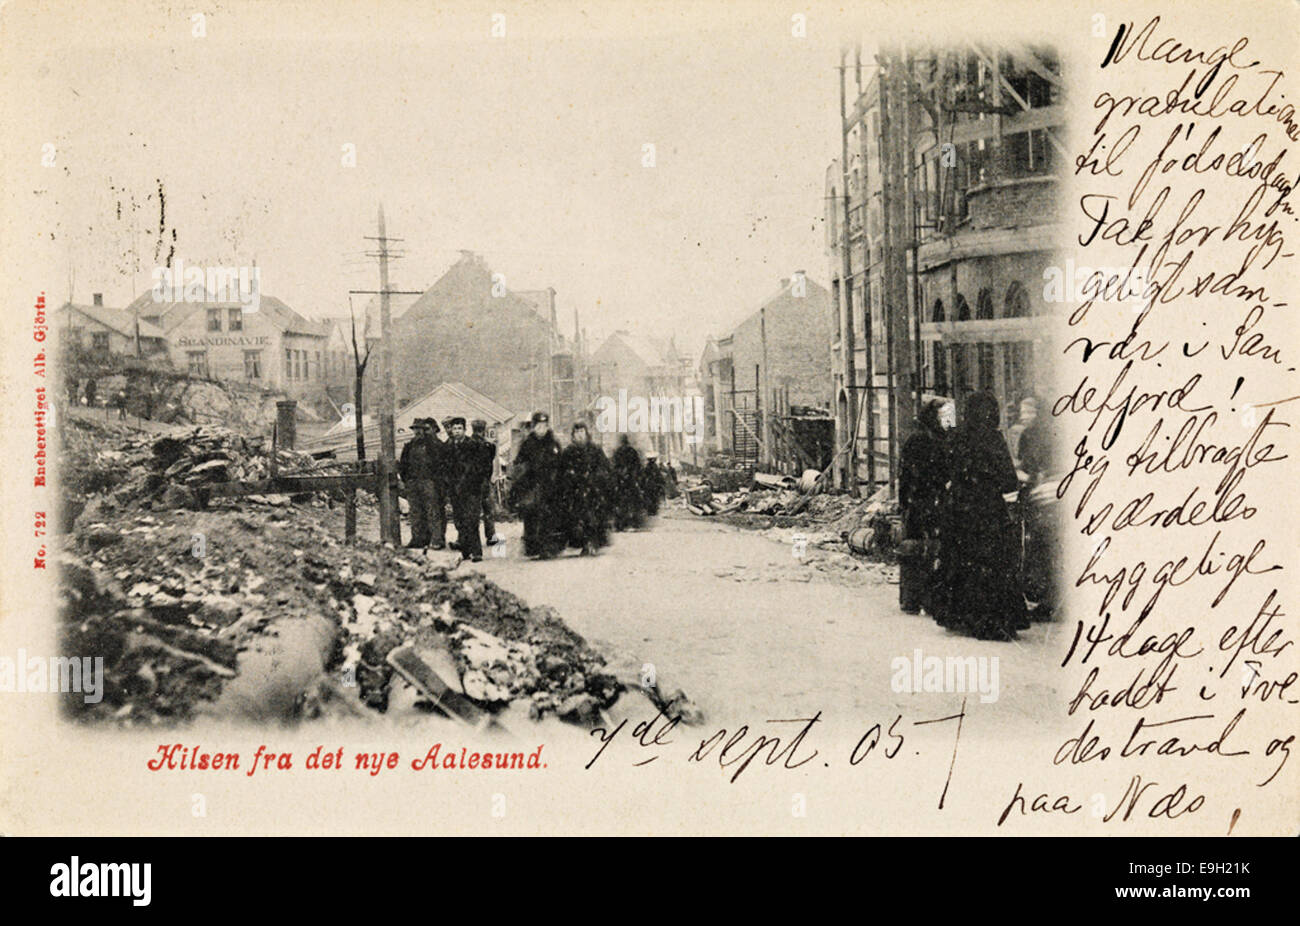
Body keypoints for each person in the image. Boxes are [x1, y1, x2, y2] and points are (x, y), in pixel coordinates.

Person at [930, 390, 1028, 641]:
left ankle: (961, 615)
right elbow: (1009, 482)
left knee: (961, 560)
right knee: (992, 563)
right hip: (987, 510)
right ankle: (993, 619)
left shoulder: (956, 437)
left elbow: (941, 473)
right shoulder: (994, 440)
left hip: (959, 510)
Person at [897, 399, 948, 615]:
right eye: (944, 416)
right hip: (921, 500)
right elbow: (906, 474)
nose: (947, 421)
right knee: (917, 549)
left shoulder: (944, 438)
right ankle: (914, 599)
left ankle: (923, 599)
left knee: (931, 549)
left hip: (933, 500)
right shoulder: (920, 440)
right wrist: (905, 501)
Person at [509, 412, 565, 558]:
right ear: (534, 427)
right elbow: (519, 464)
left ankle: (548, 549)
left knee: (550, 518)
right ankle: (533, 548)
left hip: (550, 486)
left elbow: (561, 463)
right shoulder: (528, 443)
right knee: (532, 518)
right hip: (532, 486)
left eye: (544, 425)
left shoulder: (553, 443)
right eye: (538, 426)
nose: (542, 429)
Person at [558, 421, 613, 555]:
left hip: (593, 489)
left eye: (582, 432)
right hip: (575, 490)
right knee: (576, 518)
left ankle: (592, 542)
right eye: (577, 432)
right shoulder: (568, 451)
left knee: (593, 517)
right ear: (573, 435)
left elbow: (605, 467)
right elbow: (561, 470)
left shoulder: (595, 449)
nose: (580, 435)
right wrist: (570, 475)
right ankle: (582, 543)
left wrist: (595, 477)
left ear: (586, 433)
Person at [445, 417, 488, 562]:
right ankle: (465, 550)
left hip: (471, 489)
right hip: (455, 489)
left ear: (464, 430)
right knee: (459, 520)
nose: (456, 431)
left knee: (471, 520)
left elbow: (480, 467)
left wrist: (473, 481)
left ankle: (477, 552)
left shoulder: (473, 445)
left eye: (459, 428)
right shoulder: (449, 446)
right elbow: (445, 467)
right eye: (454, 428)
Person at [398, 418, 444, 549]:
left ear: (424, 430)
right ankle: (417, 539)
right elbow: (402, 465)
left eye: (420, 429)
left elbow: (440, 465)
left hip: (429, 482)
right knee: (415, 512)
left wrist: (436, 482)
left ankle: (436, 540)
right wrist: (407, 480)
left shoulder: (433, 445)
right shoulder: (409, 446)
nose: (418, 432)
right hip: (413, 482)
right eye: (415, 429)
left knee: (432, 511)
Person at [470, 419, 502, 546]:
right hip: (484, 480)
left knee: (474, 511)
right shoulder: (489, 445)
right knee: (488, 510)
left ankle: (472, 539)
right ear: (484, 430)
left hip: (474, 481)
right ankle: (491, 536)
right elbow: (491, 461)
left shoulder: (468, 443)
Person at [610, 435, 645, 530]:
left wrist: (618, 476)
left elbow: (613, 467)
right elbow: (637, 466)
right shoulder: (632, 451)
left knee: (620, 502)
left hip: (621, 481)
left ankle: (620, 524)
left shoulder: (618, 452)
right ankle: (632, 523)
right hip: (630, 480)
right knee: (633, 501)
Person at [640, 452, 666, 517]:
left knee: (650, 498)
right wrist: (662, 482)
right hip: (654, 484)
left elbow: (643, 476)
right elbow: (658, 475)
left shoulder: (647, 467)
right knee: (654, 498)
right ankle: (653, 511)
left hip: (649, 484)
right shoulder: (655, 466)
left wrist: (642, 485)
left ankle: (650, 511)